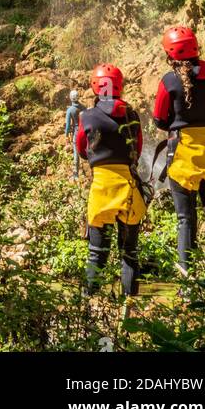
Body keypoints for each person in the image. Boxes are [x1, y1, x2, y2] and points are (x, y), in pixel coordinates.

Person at [153, 24, 205, 276]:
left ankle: (189, 280)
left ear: (170, 54)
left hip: (183, 157)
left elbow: (158, 119)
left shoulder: (168, 81)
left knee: (186, 220)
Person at [77, 64, 147, 297]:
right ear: (119, 85)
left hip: (102, 189)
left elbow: (82, 150)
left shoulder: (86, 116)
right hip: (128, 189)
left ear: (95, 86)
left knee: (97, 251)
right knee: (129, 252)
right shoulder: (132, 115)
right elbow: (137, 148)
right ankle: (130, 306)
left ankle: (88, 303)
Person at [65, 89, 85, 178]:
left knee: (76, 152)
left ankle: (76, 174)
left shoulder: (70, 110)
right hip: (84, 131)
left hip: (76, 132)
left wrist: (66, 135)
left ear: (70, 98)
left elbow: (68, 125)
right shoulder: (84, 107)